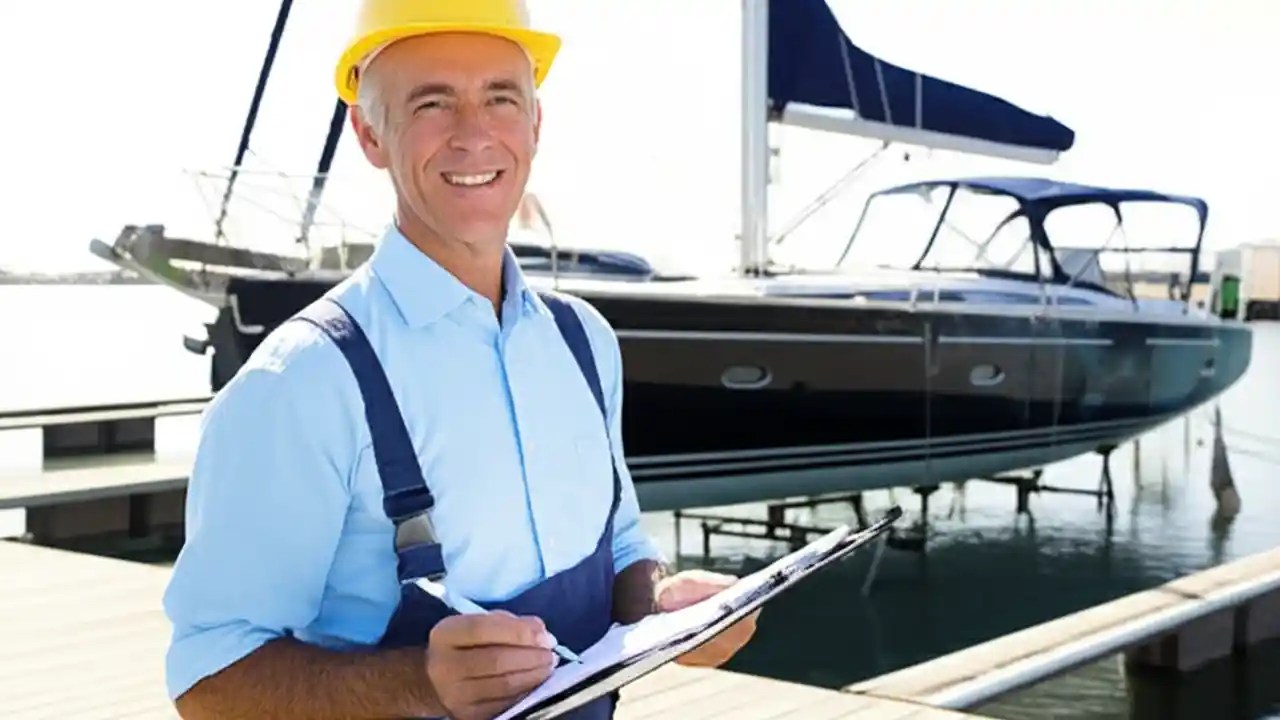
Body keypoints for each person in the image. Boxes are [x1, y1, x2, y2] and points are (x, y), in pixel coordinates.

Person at [160, 2, 759, 719]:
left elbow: (622, 543)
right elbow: (207, 680)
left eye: (500, 98)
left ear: (535, 124)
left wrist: (666, 607)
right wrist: (418, 681)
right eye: (432, 103)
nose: (474, 135)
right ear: (369, 133)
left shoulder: (584, 343)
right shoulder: (301, 382)